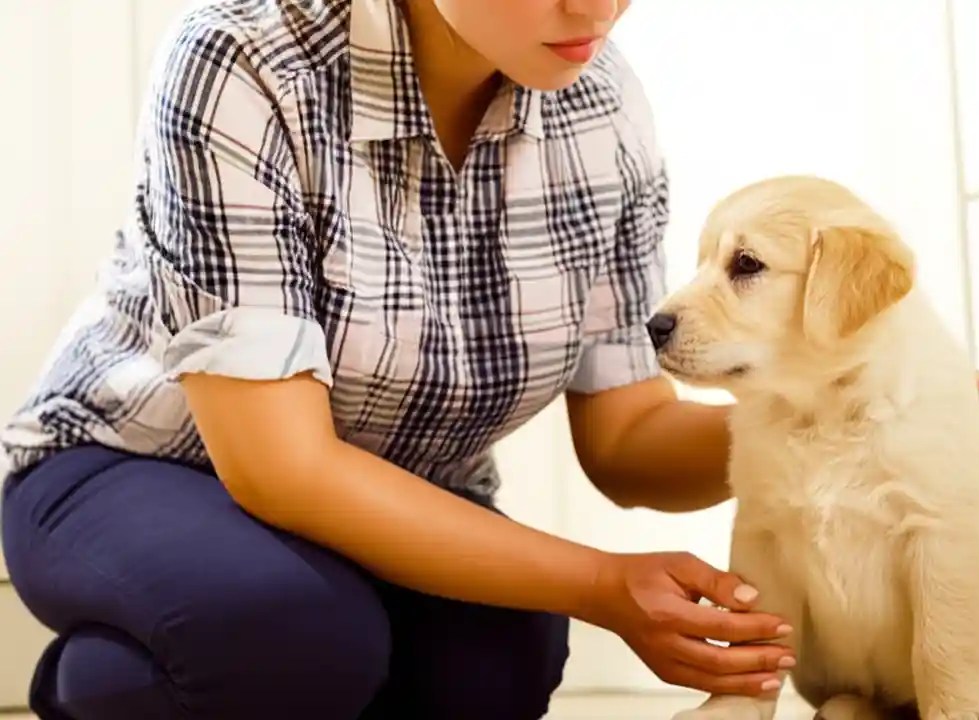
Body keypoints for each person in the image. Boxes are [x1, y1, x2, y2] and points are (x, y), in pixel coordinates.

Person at [0, 1, 795, 718]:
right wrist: (601, 585)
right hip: (133, 464)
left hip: (387, 498)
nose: (596, 7)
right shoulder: (245, 58)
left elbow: (628, 438)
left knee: (503, 663)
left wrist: (812, 424)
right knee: (294, 632)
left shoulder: (602, 103)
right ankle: (92, 695)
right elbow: (283, 468)